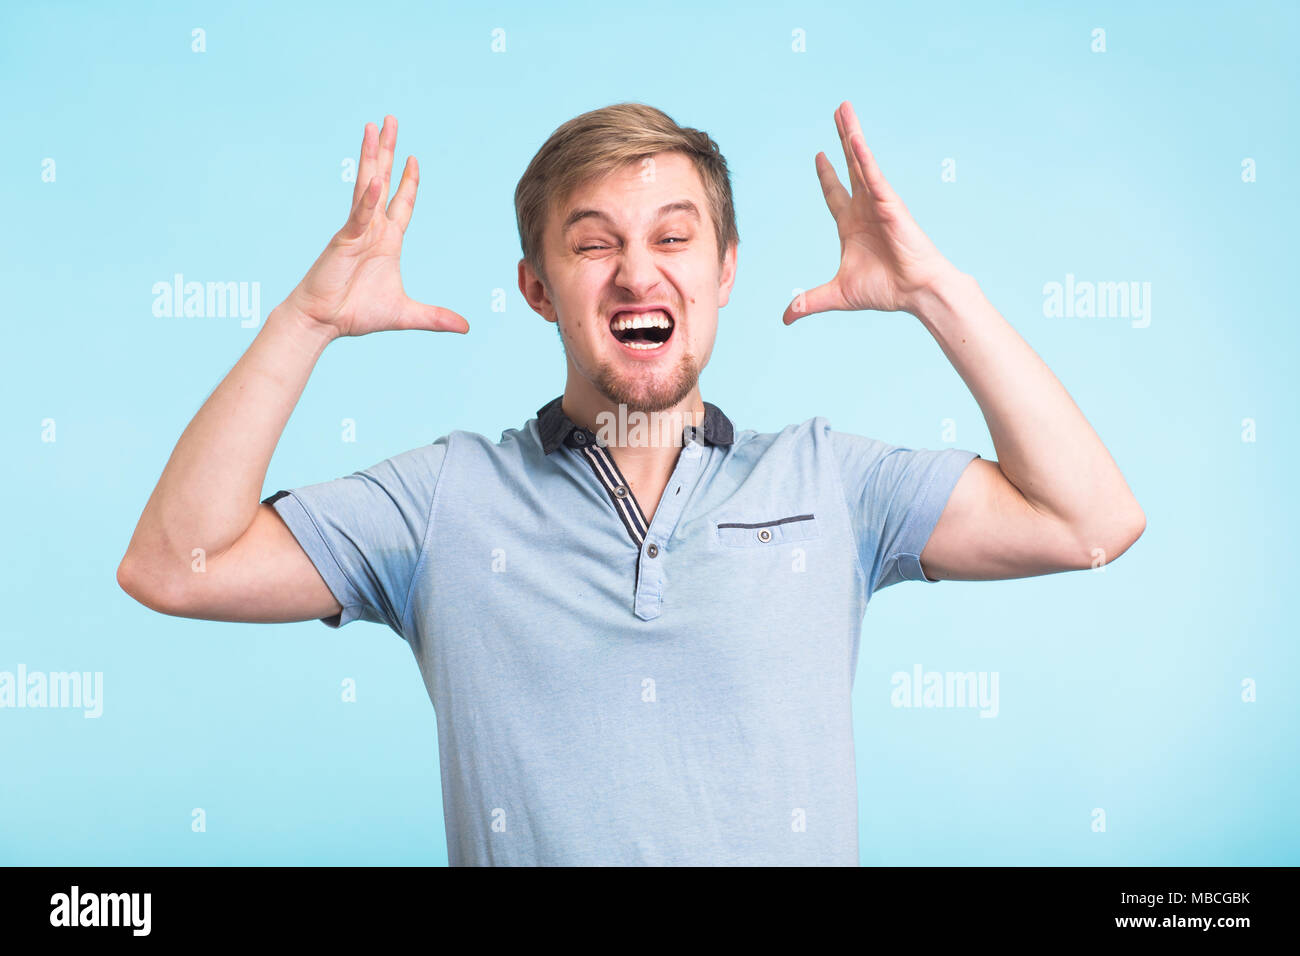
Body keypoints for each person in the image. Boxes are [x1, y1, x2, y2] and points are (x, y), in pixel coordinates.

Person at [116, 101, 1145, 866]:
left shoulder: (833, 483)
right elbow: (174, 566)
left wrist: (936, 293)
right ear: (537, 287)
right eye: (591, 243)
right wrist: (303, 323)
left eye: (672, 237)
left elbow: (1089, 520)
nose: (636, 272)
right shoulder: (443, 502)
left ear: (724, 270)